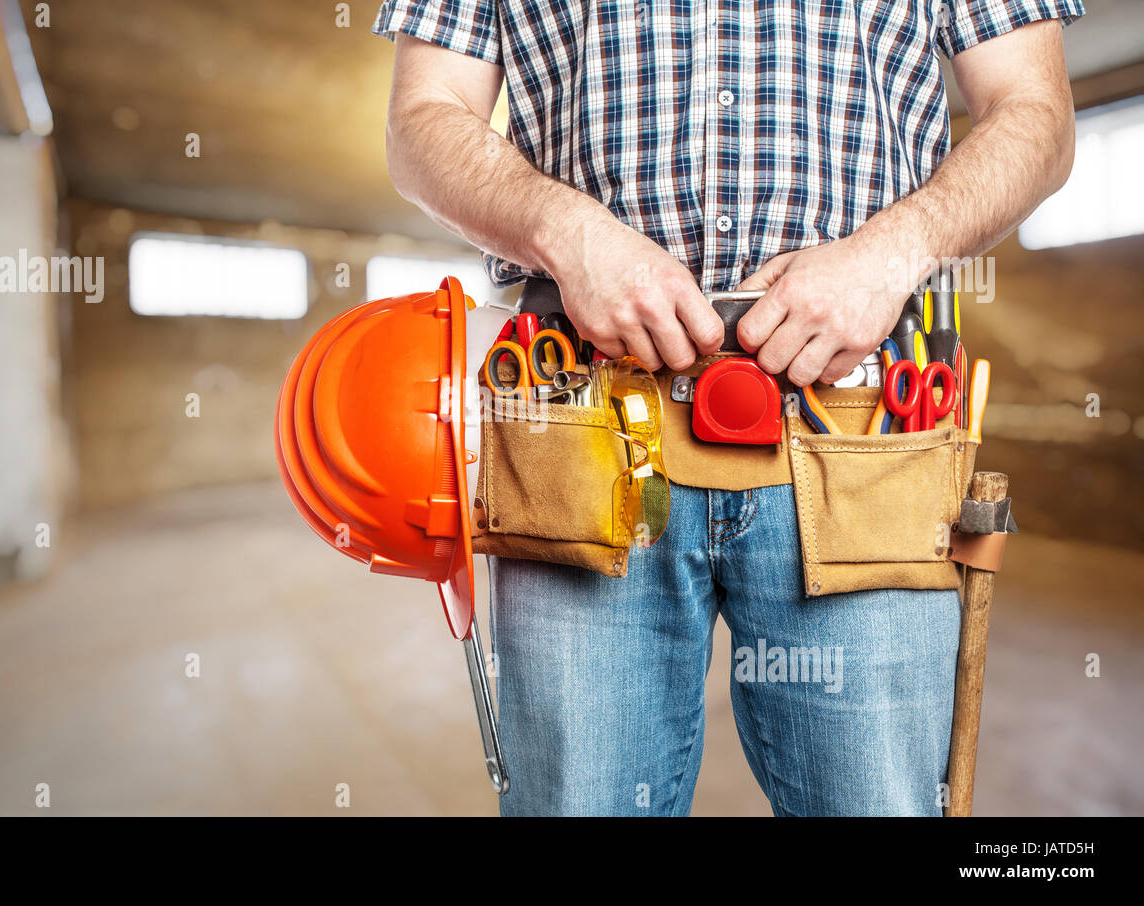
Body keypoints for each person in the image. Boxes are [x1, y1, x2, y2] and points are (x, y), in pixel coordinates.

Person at [372, 0, 1082, 816]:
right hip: (582, 435)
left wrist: (894, 254)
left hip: (860, 438)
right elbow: (423, 118)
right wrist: (566, 234)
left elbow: (1035, 112)